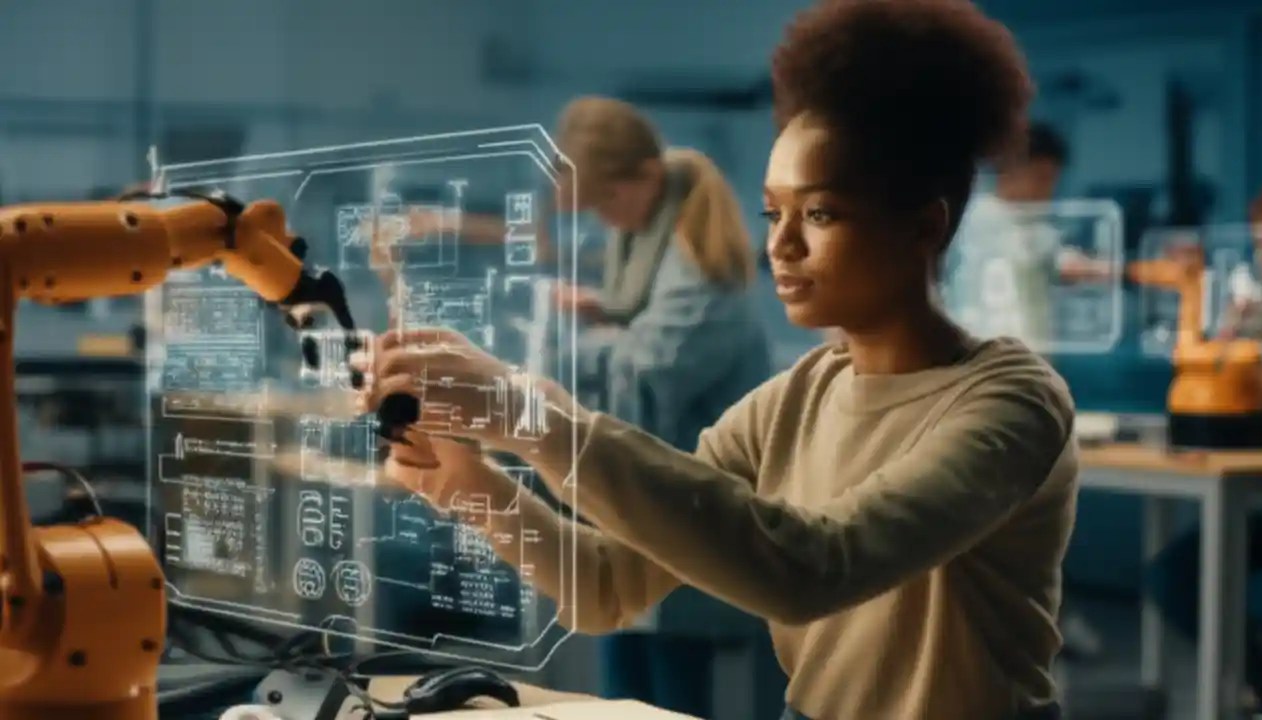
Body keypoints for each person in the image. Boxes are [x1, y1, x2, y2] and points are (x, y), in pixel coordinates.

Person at [358, 1, 1077, 718]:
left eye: (820, 213)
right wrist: (466, 483)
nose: (782, 246)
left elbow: (816, 569)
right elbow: (606, 586)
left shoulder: (1012, 402)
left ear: (925, 224)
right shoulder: (793, 399)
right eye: (774, 214)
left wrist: (533, 417)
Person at [542, 97, 785, 717]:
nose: (606, 221)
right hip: (643, 508)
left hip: (695, 516)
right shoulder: (642, 238)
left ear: (646, 178)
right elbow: (642, 332)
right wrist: (609, 316)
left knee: (676, 696)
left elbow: (647, 376)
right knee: (626, 690)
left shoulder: (700, 262)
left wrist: (591, 343)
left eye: (608, 202)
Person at [1148, 182, 1262, 713]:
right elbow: (1228, 374)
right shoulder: (1258, 307)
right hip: (1257, 476)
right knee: (1177, 576)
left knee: (1190, 572)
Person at [943, 121, 1106, 349]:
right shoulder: (982, 217)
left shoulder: (1028, 222)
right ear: (1011, 169)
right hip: (989, 360)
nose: (1047, 190)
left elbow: (1052, 255)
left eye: (1052, 181)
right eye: (1041, 178)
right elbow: (1034, 251)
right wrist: (1092, 267)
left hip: (1024, 355)